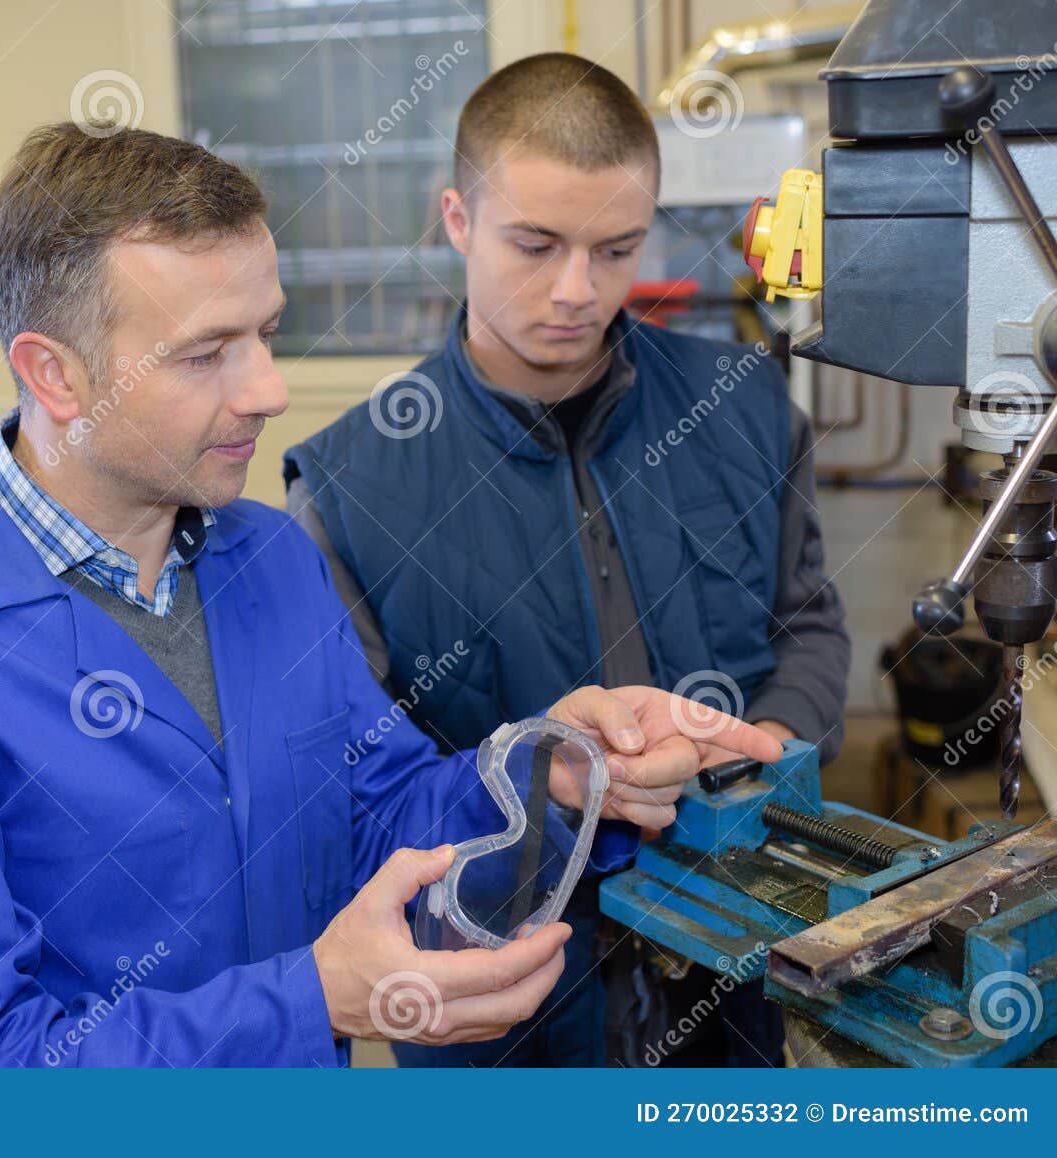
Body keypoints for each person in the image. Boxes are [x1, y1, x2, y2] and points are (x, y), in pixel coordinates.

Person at [0, 121, 783, 1068]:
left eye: (266, 333)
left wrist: (554, 771)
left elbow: (382, 813)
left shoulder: (267, 561)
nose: (266, 389)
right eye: (207, 354)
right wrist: (310, 1001)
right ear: (56, 376)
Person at [284, 53, 850, 1068]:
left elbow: (806, 628)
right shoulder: (347, 486)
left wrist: (748, 749)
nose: (576, 290)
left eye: (616, 247)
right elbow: (354, 788)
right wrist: (540, 788)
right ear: (455, 219)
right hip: (504, 1015)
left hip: (736, 966)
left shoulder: (745, 405)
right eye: (534, 244)